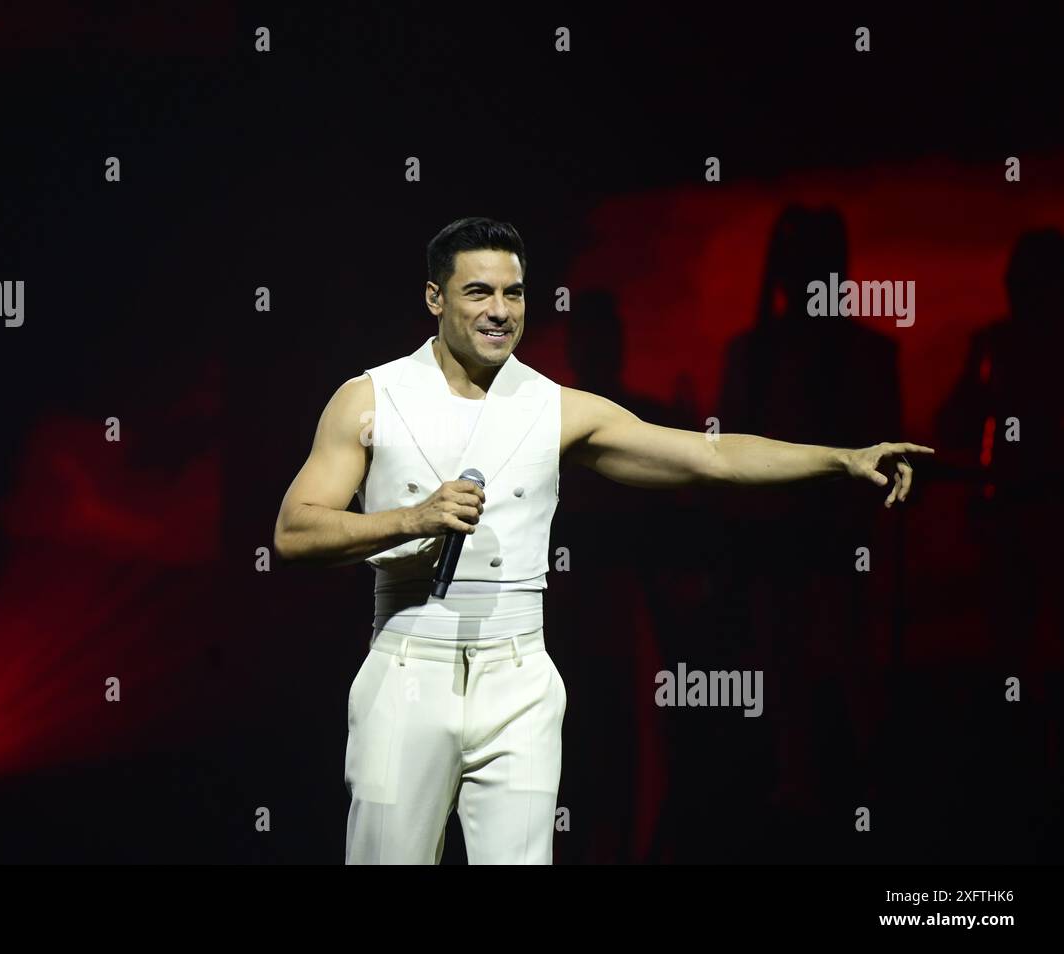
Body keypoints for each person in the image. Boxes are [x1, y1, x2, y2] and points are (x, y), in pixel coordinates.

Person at [271, 216, 933, 865]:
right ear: (434, 298)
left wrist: (842, 459)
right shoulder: (371, 399)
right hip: (409, 668)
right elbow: (295, 530)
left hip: (520, 677)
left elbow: (711, 457)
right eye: (479, 292)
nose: (501, 310)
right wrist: (410, 520)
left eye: (514, 292)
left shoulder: (557, 408)